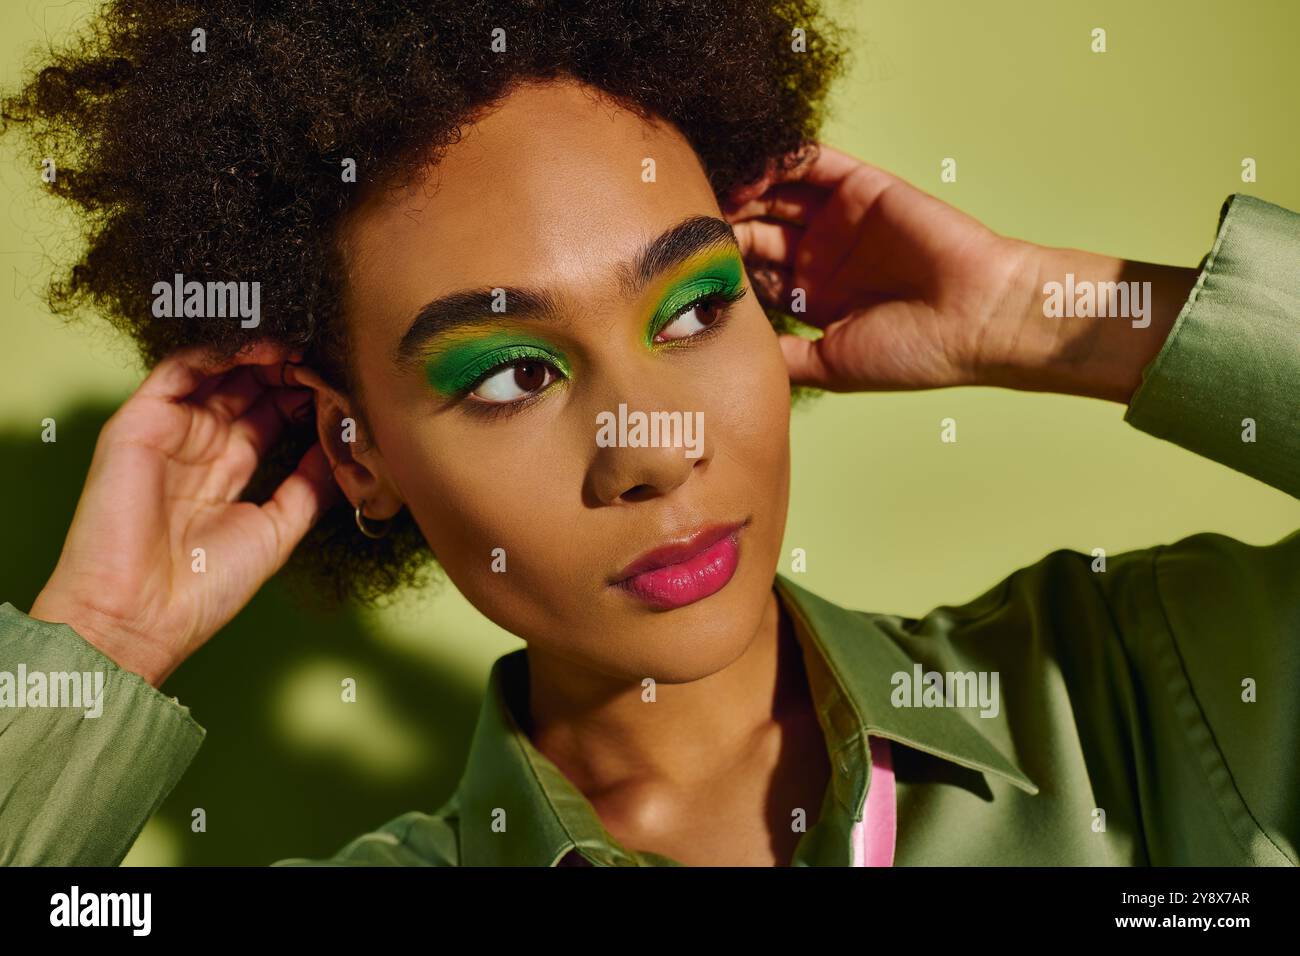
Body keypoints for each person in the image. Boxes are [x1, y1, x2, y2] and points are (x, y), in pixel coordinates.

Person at [0, 0, 1296, 867]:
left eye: (692, 306)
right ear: (359, 455)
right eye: (511, 372)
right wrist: (98, 643)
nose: (653, 446)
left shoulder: (1131, 694)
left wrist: (1050, 313)